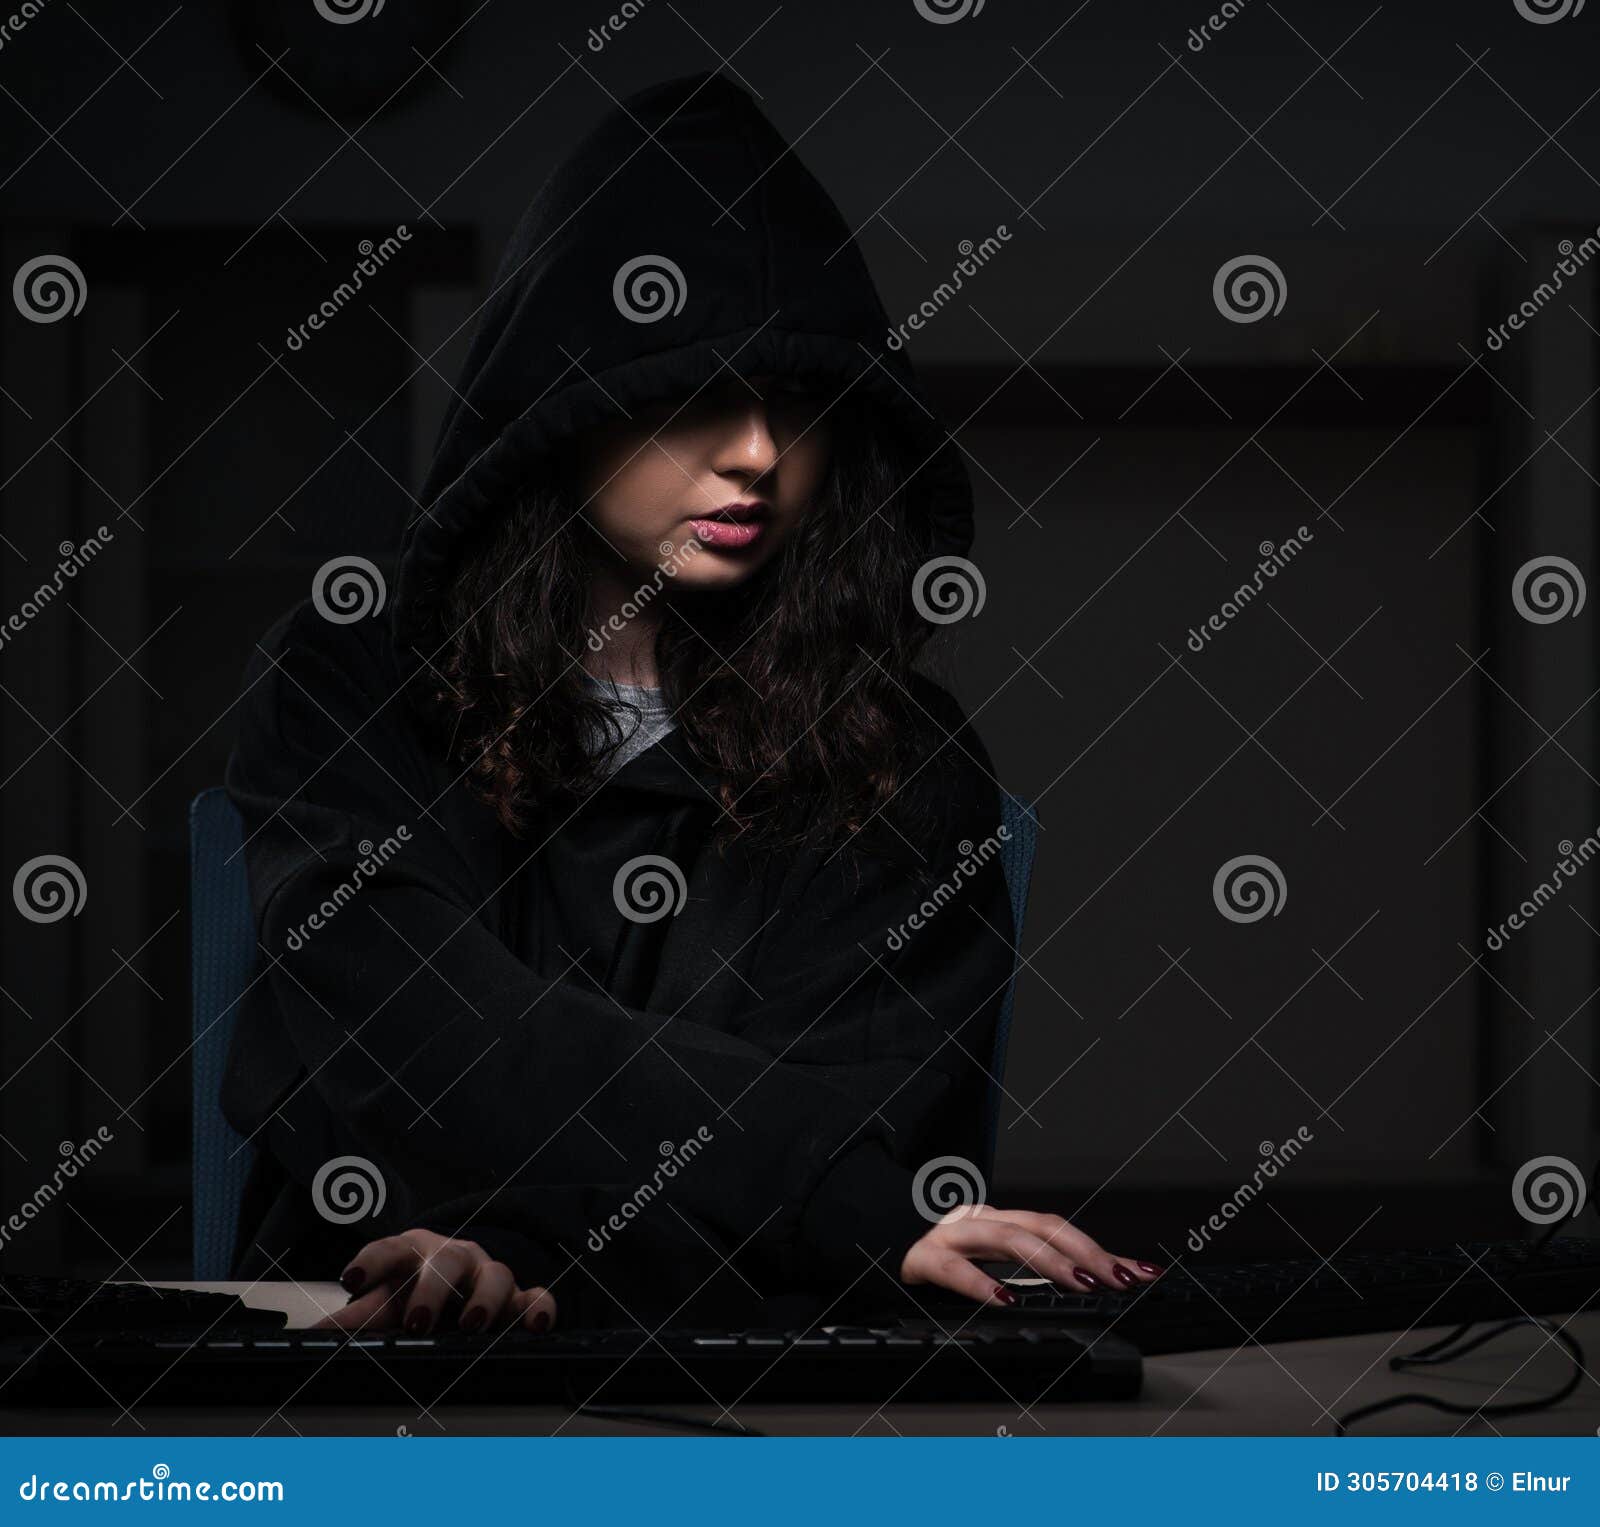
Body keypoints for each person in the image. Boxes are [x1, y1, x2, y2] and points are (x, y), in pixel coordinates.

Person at [222, 70, 1162, 1337]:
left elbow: (865, 1123)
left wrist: (521, 1258)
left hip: (729, 1355)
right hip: (348, 1329)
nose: (758, 452)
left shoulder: (901, 755)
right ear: (564, 404)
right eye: (698, 389)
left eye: (798, 404)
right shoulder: (352, 679)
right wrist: (816, 1188)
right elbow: (413, 1035)